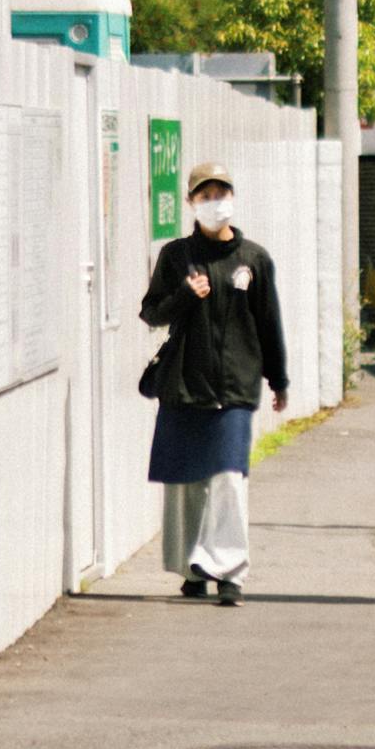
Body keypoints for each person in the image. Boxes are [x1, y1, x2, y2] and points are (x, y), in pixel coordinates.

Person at [139, 167, 289, 602]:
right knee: (185, 481)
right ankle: (192, 567)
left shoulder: (253, 259)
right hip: (185, 381)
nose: (214, 200)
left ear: (233, 198)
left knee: (227, 476)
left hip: (235, 386)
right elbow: (152, 313)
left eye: (221, 192)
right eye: (205, 194)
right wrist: (187, 295)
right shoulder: (175, 256)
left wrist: (277, 378)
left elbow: (268, 321)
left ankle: (229, 571)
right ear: (191, 203)